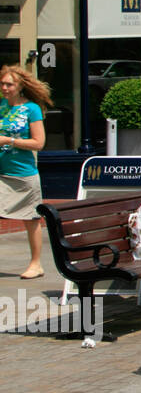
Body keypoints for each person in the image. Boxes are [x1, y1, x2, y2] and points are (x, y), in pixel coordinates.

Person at [0, 66, 51, 279]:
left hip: (23, 175)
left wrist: (9, 140)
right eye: (2, 83)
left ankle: (36, 264)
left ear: (21, 86)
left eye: (9, 84)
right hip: (2, 173)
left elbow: (39, 143)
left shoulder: (31, 109)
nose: (4, 88)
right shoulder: (1, 106)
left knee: (31, 220)